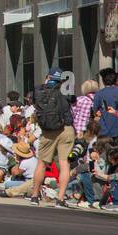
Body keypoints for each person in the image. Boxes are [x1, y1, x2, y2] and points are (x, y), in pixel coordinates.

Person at [26, 67, 73, 207]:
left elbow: (34, 103)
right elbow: (72, 101)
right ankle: (60, 199)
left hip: (47, 130)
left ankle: (34, 196)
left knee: (41, 163)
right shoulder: (65, 90)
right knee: (65, 164)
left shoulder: (39, 90)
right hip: (66, 128)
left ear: (47, 77)